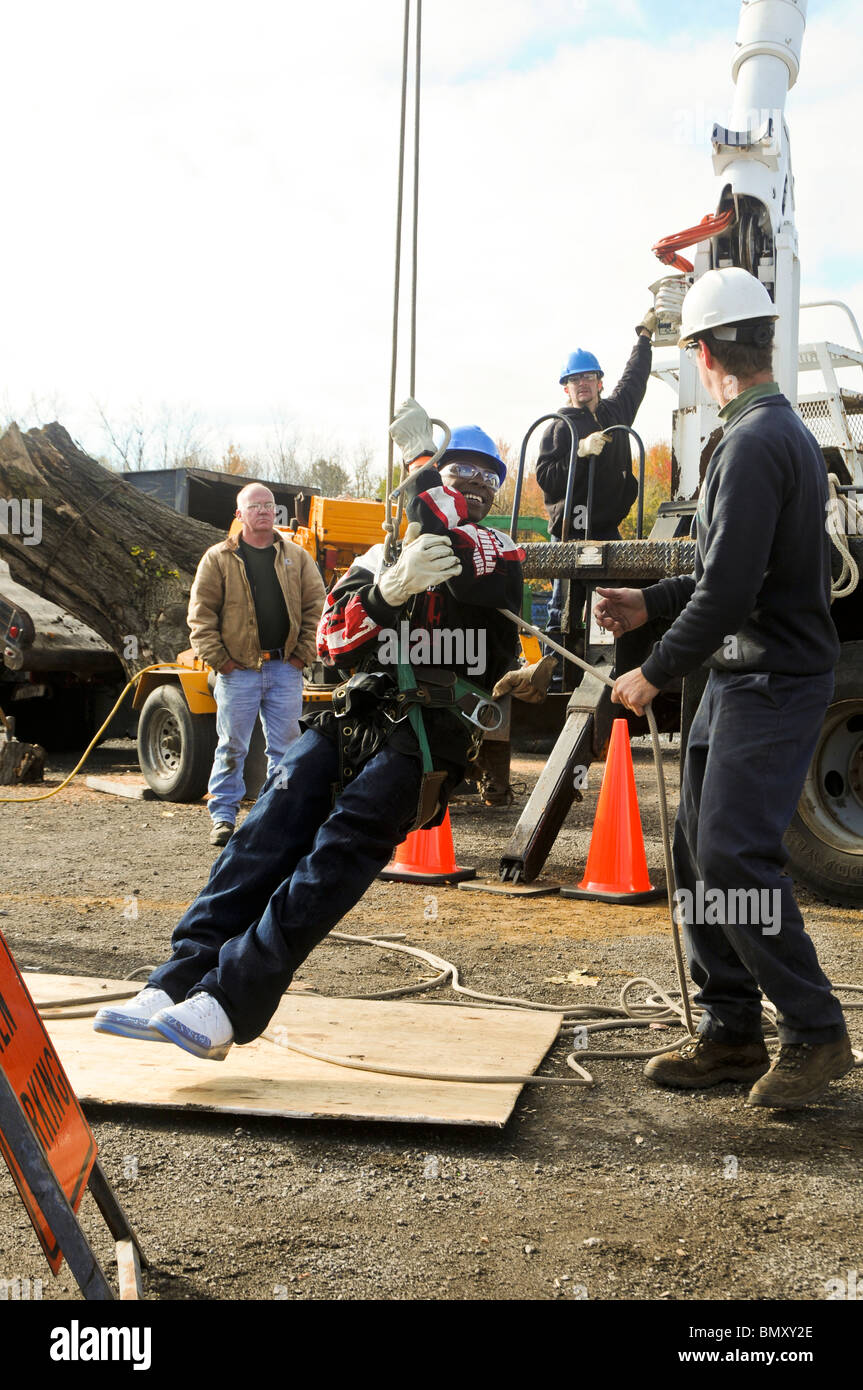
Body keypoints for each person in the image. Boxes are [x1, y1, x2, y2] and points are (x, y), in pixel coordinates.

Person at [94, 406, 524, 1060]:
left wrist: (419, 470)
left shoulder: (496, 549)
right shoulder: (384, 554)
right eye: (457, 470)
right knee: (267, 826)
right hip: (359, 713)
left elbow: (458, 544)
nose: (470, 485)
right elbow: (333, 639)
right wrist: (387, 593)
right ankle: (178, 978)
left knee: (343, 842)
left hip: (429, 732)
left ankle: (229, 1002)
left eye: (483, 478)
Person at [594, 267, 853, 1110]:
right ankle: (731, 1030)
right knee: (692, 851)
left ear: (702, 352)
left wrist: (651, 669)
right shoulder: (762, 432)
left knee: (732, 855)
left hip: (768, 680)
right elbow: (722, 570)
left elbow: (732, 591)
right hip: (741, 676)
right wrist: (649, 601)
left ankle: (813, 1034)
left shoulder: (753, 440)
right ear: (760, 342)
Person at [187, 482, 326, 847]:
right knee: (232, 744)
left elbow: (317, 607)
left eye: (269, 505)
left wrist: (301, 655)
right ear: (239, 514)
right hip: (239, 672)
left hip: (285, 669)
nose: (264, 511)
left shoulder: (296, 557)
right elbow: (200, 616)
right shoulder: (218, 558)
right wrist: (222, 662)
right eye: (255, 506)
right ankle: (222, 817)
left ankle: (274, 816)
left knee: (285, 749)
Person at [536, 311, 655, 651]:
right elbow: (547, 478)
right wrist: (579, 453)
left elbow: (635, 379)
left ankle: (604, 663)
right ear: (566, 388)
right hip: (569, 535)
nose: (583, 383)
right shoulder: (559, 427)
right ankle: (555, 671)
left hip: (606, 531)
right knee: (563, 610)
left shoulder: (615, 413)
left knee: (610, 606)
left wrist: (644, 338)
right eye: (575, 380)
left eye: (588, 376)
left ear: (600, 382)